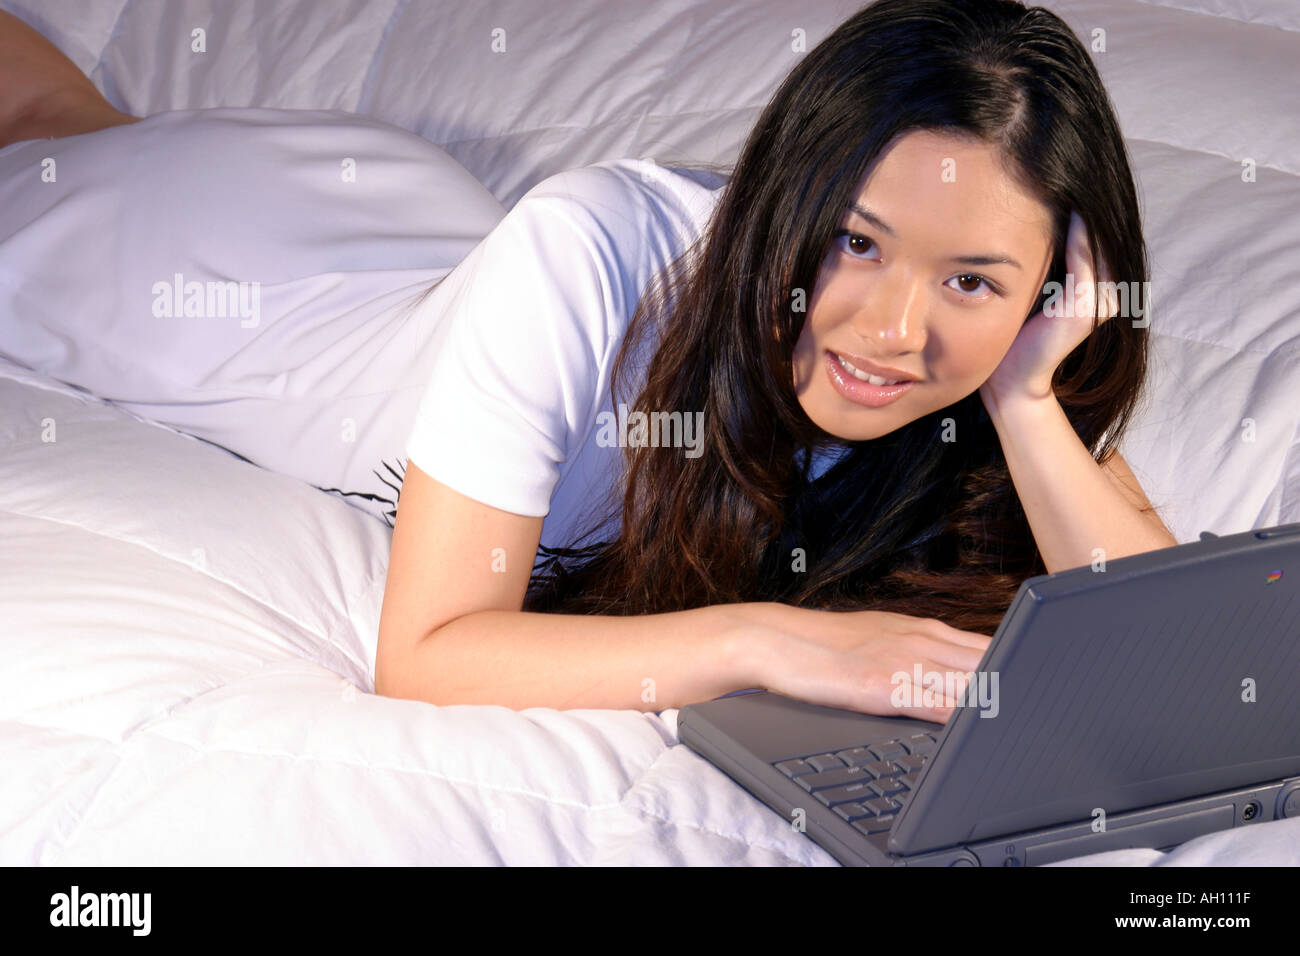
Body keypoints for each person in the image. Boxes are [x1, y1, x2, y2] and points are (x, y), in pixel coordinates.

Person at [0, 1, 1177, 722]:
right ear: (789, 195)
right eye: (851, 241)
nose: (890, 332)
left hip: (431, 238)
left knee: (78, 118)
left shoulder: (990, 380)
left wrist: (1027, 397)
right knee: (52, 140)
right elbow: (427, 654)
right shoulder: (592, 251)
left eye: (972, 279)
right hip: (246, 289)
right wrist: (768, 635)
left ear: (1051, 289)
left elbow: (1173, 642)